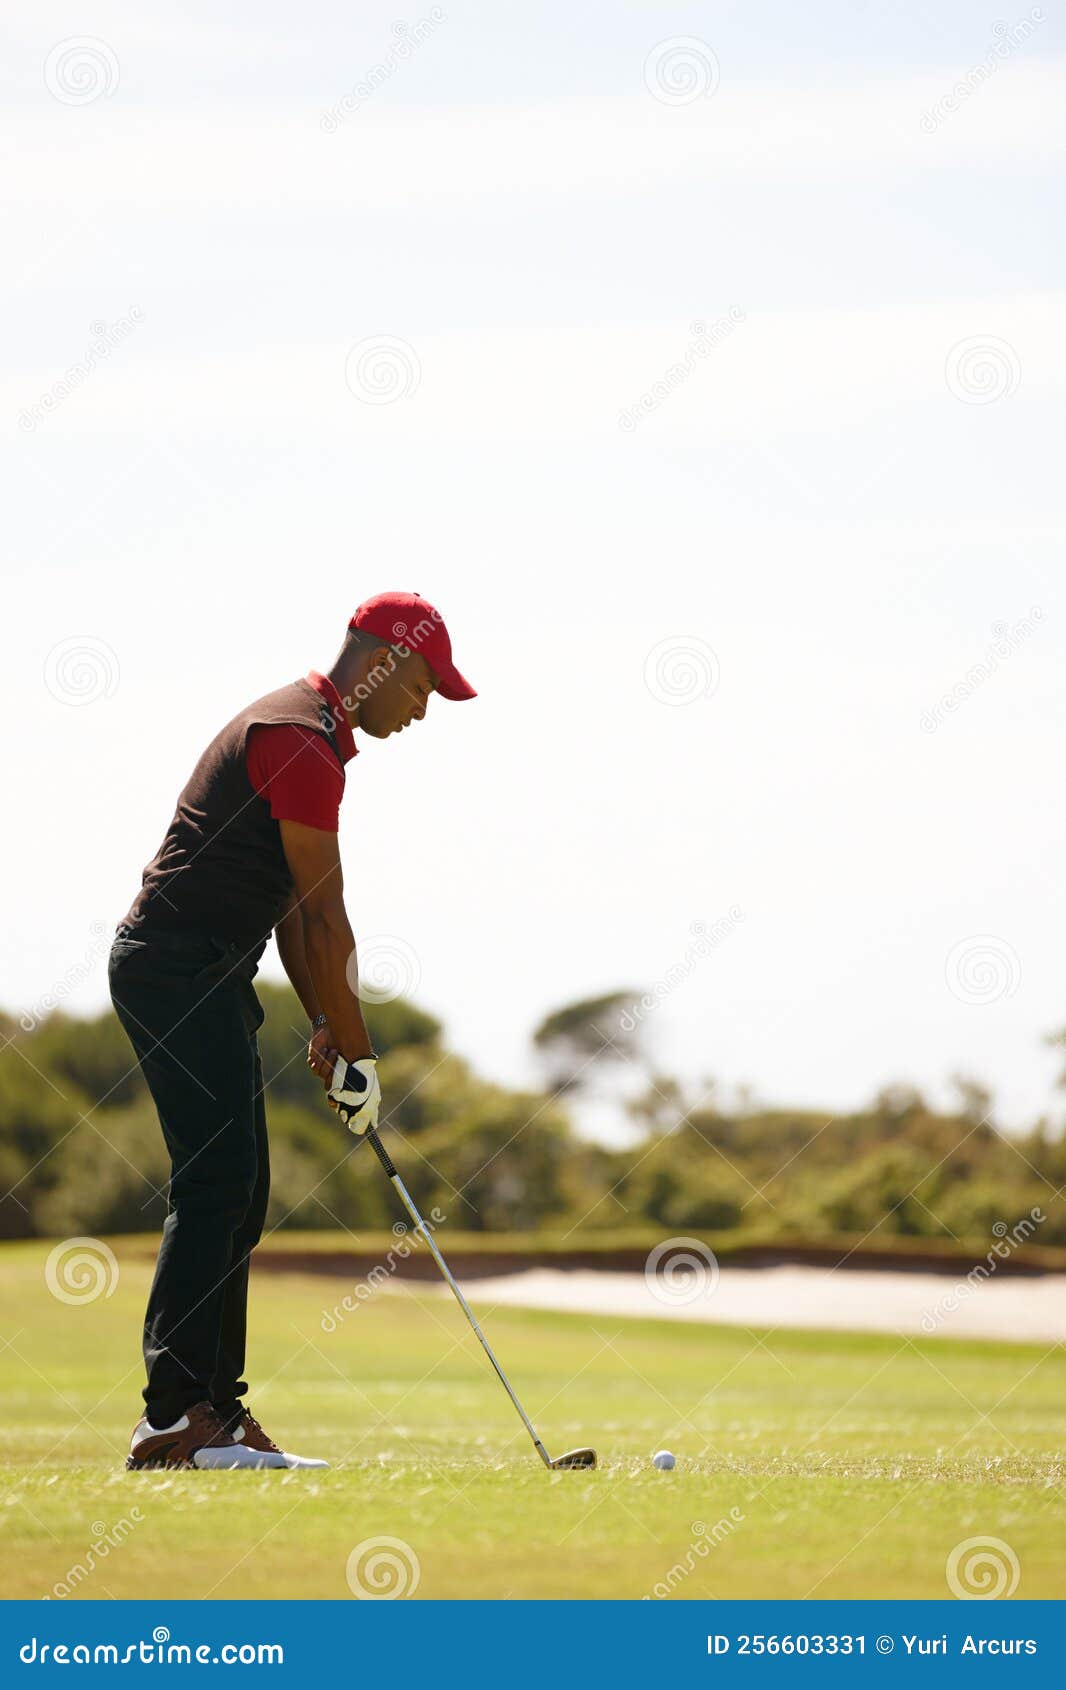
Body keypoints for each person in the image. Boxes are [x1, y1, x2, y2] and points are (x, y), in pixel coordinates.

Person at [109, 592, 475, 1470]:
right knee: (215, 1183)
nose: (423, 710)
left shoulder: (313, 736)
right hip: (173, 968)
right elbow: (323, 915)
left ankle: (215, 1417)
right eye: (423, 687)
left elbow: (289, 918)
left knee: (241, 1188)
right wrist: (361, 1054)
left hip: (206, 972)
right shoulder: (299, 739)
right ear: (382, 662)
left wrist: (323, 1023)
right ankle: (173, 1421)